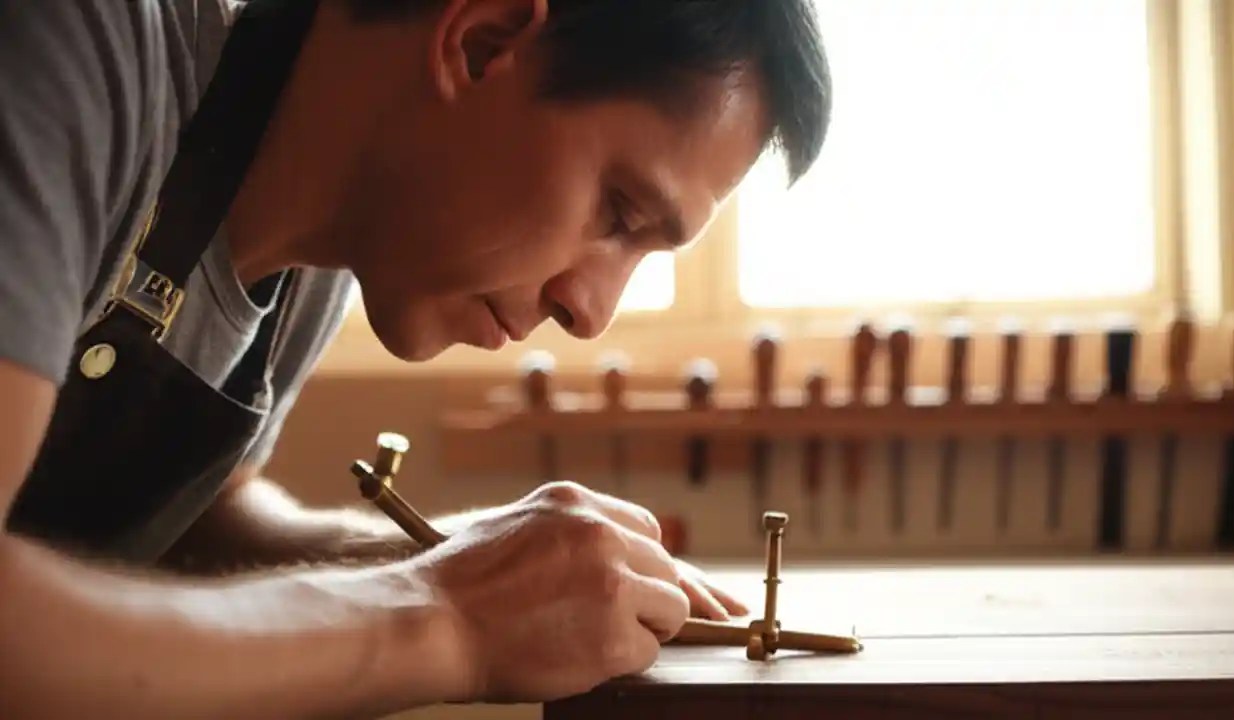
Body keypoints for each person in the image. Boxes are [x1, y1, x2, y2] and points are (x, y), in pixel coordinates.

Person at [0, 0, 831, 716]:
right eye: (618, 213)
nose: (591, 313)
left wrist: (459, 561)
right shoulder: (76, 45)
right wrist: (444, 620)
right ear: (482, 42)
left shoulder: (325, 257)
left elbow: (197, 527)